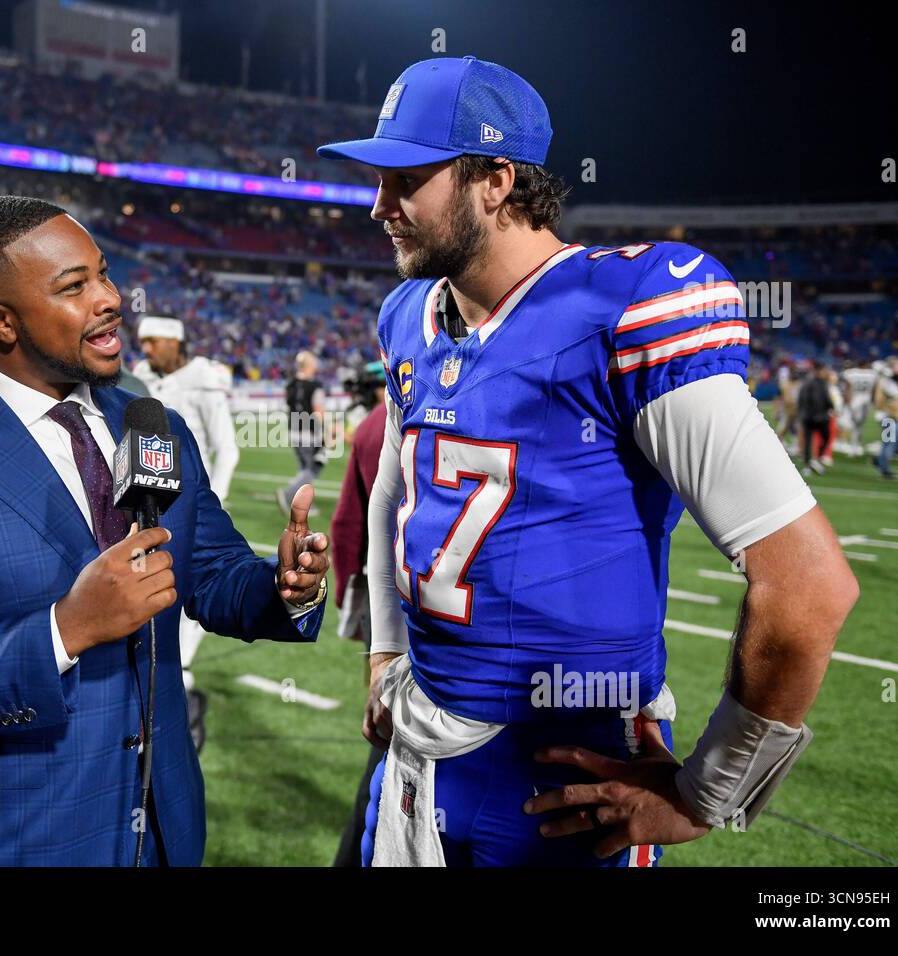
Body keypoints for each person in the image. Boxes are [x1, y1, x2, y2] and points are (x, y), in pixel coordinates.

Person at [317, 55, 858, 867]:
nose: (378, 206)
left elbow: (809, 585)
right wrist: (385, 651)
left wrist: (708, 793)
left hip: (563, 769)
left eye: (405, 179)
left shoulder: (626, 309)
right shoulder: (408, 315)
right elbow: (401, 483)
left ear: (495, 180)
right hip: (416, 752)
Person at [0, 196, 331, 866]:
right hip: (15, 845)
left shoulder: (148, 424)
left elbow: (209, 575)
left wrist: (284, 586)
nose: (111, 298)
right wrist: (65, 630)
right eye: (74, 286)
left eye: (104, 273)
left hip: (161, 832)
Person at [132, 315, 241, 746]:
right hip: (145, 504)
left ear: (175, 342)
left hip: (190, 504)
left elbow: (226, 447)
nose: (146, 350)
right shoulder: (141, 377)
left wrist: (214, 500)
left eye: (153, 342)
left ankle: (183, 697)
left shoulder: (203, 378)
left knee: (185, 596)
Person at [328, 360, 389, 867]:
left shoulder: (370, 427)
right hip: (435, 616)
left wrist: (355, 610)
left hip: (382, 602)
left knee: (386, 745)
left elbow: (347, 521)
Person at [278, 351, 329, 514]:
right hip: (310, 432)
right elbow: (318, 411)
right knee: (312, 469)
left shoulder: (290, 384)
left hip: (294, 431)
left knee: (304, 468)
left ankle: (304, 503)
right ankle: (288, 494)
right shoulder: (315, 386)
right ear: (310, 365)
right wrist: (326, 431)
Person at [796, 361, 832, 475]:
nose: (825, 372)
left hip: (821, 416)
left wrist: (831, 407)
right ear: (818, 370)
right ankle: (808, 464)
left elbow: (826, 398)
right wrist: (805, 414)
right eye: (823, 370)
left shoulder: (823, 382)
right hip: (810, 416)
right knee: (808, 441)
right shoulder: (808, 383)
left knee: (826, 437)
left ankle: (816, 459)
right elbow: (803, 399)